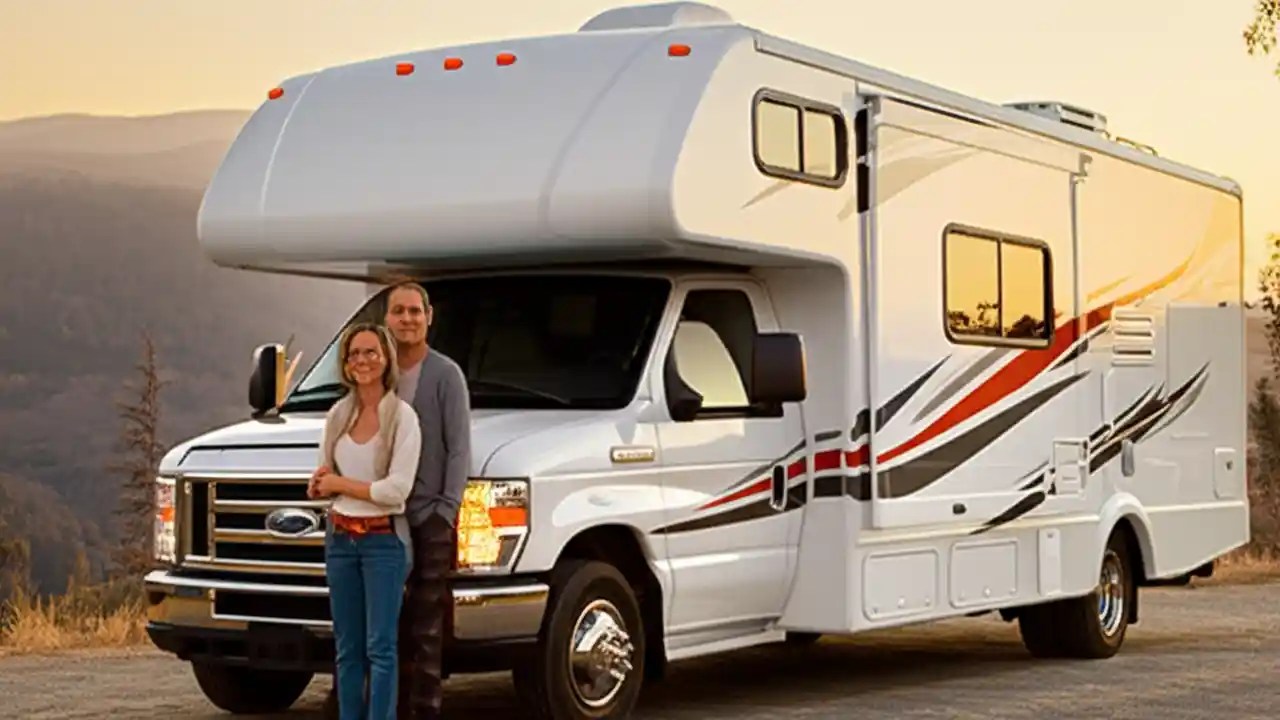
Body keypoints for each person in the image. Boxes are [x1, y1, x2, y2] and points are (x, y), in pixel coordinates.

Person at [309, 321, 422, 720]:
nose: (363, 361)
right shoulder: (337, 415)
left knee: (381, 647)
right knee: (347, 649)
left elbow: (396, 491)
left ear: (386, 357)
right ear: (345, 363)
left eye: (371, 352)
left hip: (383, 544)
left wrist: (340, 483)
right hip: (340, 540)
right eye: (354, 353)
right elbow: (326, 470)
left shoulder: (403, 418)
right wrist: (322, 481)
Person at [382, 280, 472, 720]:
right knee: (385, 622)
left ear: (429, 317)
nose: (407, 319)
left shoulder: (445, 375)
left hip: (429, 514)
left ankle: (425, 709)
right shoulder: (377, 373)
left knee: (427, 625)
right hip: (382, 516)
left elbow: (459, 449)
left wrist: (446, 511)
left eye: (415, 311)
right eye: (399, 311)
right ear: (386, 319)